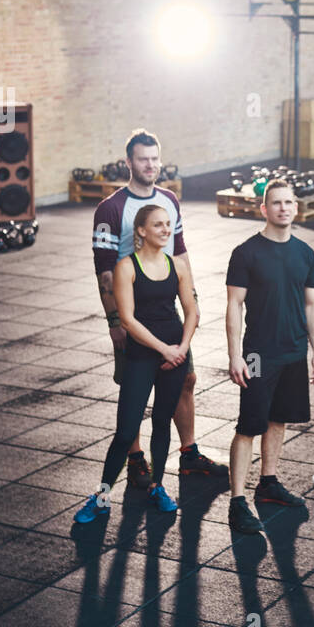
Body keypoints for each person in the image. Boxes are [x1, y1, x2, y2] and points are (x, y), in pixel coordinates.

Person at [92, 129, 228, 488]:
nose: (150, 165)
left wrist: (191, 300)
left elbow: (179, 251)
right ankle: (136, 458)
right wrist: (114, 322)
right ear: (129, 163)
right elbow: (105, 269)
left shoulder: (169, 199)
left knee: (187, 378)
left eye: (155, 158)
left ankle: (188, 455)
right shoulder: (110, 208)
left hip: (168, 307)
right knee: (133, 391)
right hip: (132, 312)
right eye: (142, 159)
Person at [76, 205, 197, 522]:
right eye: (158, 224)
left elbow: (192, 311)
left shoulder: (178, 266)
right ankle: (102, 495)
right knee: (127, 429)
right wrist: (164, 350)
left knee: (161, 423)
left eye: (168, 224)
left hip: (175, 352)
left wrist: (181, 348)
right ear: (141, 231)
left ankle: (157, 487)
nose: (166, 229)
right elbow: (127, 320)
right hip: (143, 355)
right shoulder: (126, 268)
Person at [224, 180, 314, 535]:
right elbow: (234, 306)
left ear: (295, 208)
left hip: (294, 352)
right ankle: (237, 501)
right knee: (249, 424)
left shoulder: (303, 252)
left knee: (279, 419)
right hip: (257, 354)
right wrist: (235, 355)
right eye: (276, 203)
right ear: (264, 209)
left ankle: (268, 482)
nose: (283, 208)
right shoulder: (246, 252)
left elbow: (313, 304)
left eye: (289, 202)